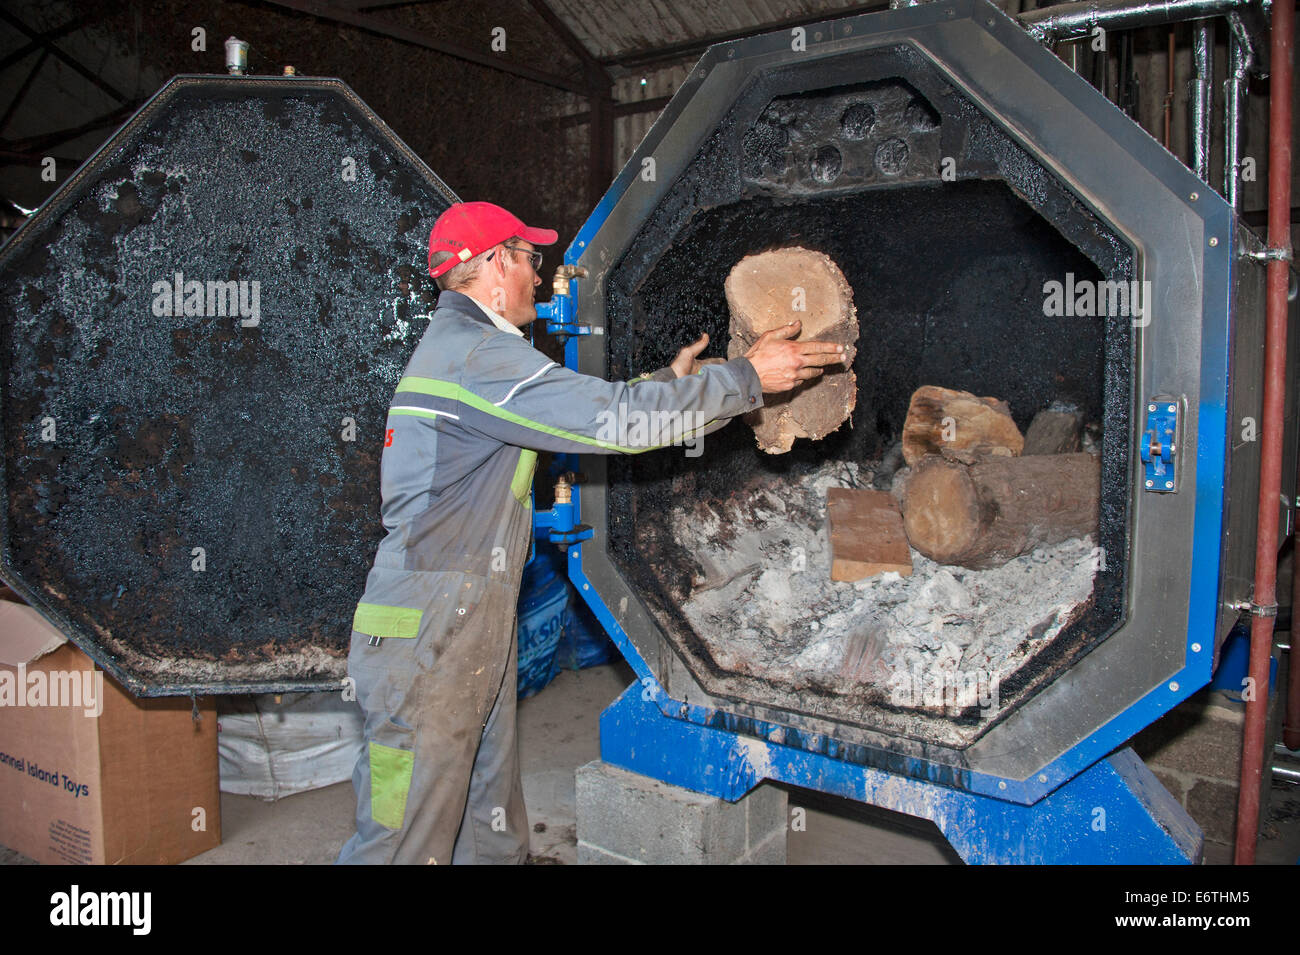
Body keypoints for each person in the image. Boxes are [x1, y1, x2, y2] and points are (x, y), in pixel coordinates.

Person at [336, 201, 845, 864]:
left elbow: (577, 414)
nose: (540, 278)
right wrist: (747, 378)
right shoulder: (478, 357)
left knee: (488, 831)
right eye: (530, 258)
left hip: (463, 623)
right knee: (402, 843)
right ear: (494, 264)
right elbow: (612, 423)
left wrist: (666, 383)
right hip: (430, 632)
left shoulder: (474, 354)